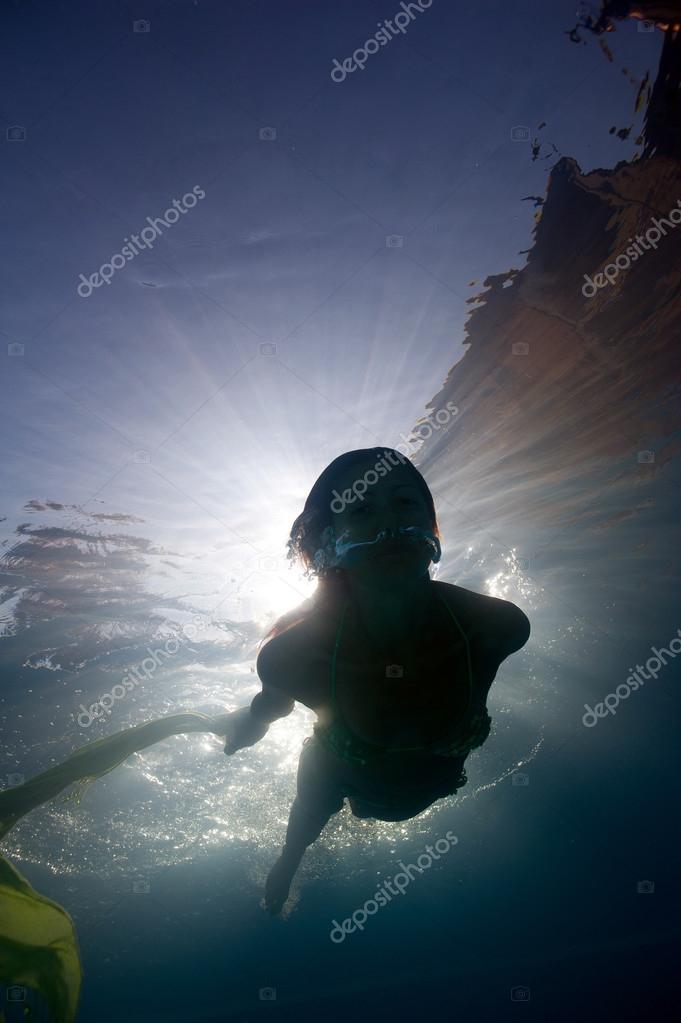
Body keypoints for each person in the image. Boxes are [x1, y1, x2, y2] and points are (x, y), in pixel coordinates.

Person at [221, 447, 531, 915]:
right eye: (363, 509)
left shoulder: (497, 627)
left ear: (432, 525)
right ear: (329, 542)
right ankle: (287, 864)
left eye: (405, 504)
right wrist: (250, 725)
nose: (390, 526)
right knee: (312, 810)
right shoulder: (293, 655)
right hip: (345, 782)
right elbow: (274, 704)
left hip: (434, 783)